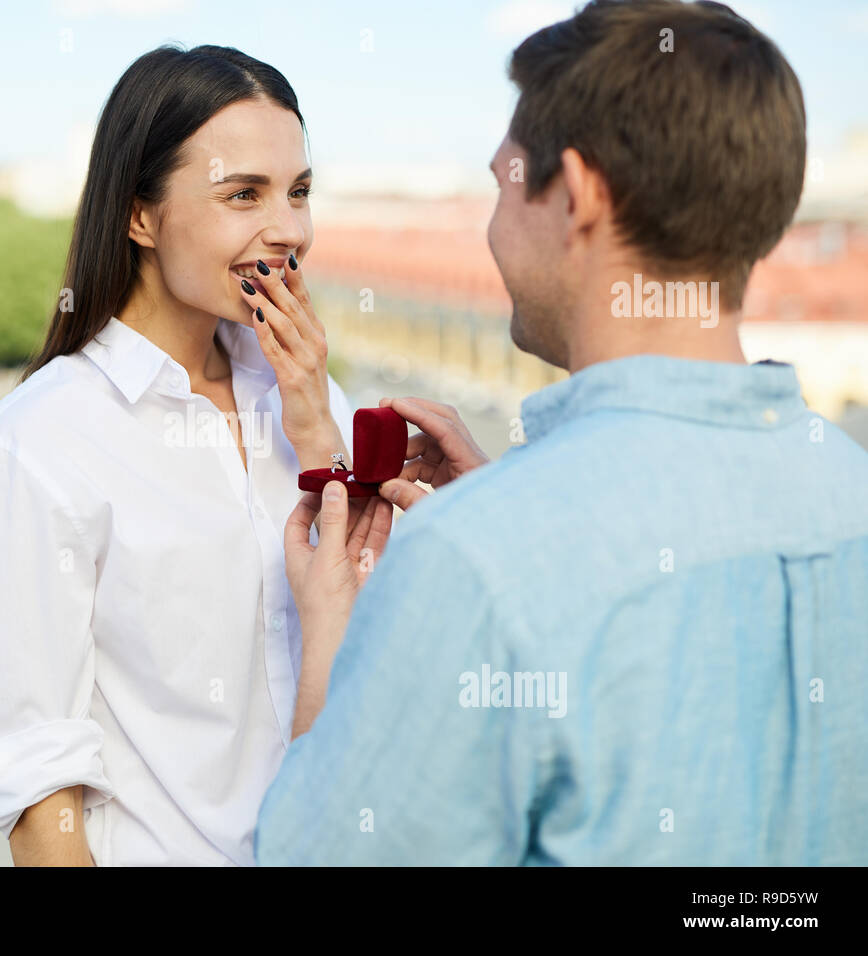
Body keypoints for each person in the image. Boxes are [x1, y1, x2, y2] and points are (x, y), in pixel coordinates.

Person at [256, 0, 868, 865]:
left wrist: (331, 637)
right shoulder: (850, 491)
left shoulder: (475, 564)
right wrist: (511, 514)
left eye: (502, 184)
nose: (492, 225)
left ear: (576, 196)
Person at [0, 43, 391, 866]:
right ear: (140, 215)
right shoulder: (32, 453)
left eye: (299, 191)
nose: (290, 231)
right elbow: (42, 804)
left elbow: (378, 652)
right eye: (244, 194)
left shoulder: (310, 404)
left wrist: (319, 434)